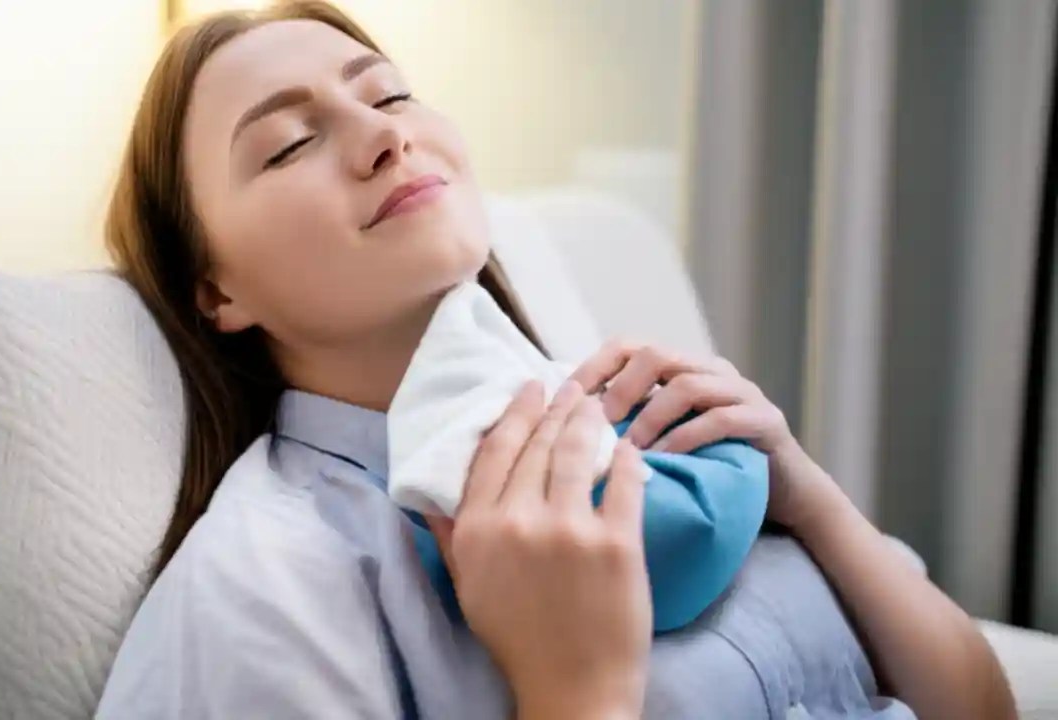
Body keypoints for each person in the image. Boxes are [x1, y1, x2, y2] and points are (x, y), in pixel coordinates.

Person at [96, 2, 1016, 718]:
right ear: (216, 292)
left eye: (389, 94)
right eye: (290, 144)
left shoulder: (650, 423)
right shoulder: (263, 591)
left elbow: (980, 706)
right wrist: (573, 691)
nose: (386, 135)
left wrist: (807, 497)